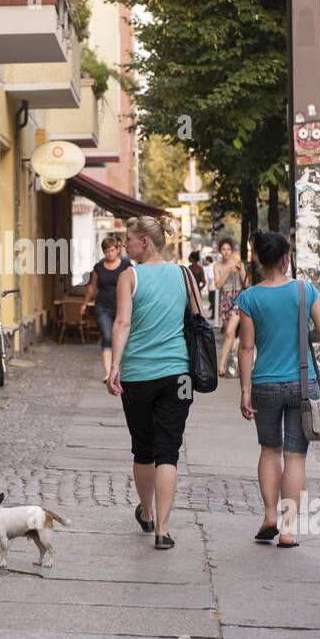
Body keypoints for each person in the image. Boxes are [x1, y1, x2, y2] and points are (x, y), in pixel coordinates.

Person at [236, 231, 320, 548]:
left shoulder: (249, 298)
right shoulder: (305, 291)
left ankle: (269, 517)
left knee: (269, 450)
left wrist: (244, 390)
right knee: (295, 458)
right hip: (303, 384)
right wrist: (305, 338)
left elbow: (246, 348)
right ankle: (288, 530)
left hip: (264, 383)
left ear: (260, 260)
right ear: (286, 258)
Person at [107, 215, 194, 550]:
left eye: (129, 239)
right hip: (180, 375)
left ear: (144, 241)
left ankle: (146, 512)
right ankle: (163, 529)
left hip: (137, 375)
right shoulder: (184, 274)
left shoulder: (129, 277)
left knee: (143, 448)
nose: (125, 244)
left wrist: (114, 366)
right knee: (168, 450)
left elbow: (122, 322)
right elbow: (196, 319)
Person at [80, 236, 131, 382]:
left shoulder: (126, 266)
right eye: (106, 251)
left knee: (123, 338)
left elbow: (134, 285)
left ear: (118, 250)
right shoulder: (98, 268)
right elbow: (92, 287)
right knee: (107, 337)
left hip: (122, 307)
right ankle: (108, 374)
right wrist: (85, 303)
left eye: (112, 250)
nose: (109, 254)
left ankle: (119, 370)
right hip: (103, 307)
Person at [214, 238, 248, 376]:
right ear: (220, 251)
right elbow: (218, 285)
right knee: (230, 335)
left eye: (228, 249)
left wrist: (240, 270)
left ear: (232, 251)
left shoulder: (238, 263)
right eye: (223, 249)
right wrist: (228, 271)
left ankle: (222, 365)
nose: (226, 252)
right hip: (225, 301)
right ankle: (232, 365)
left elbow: (246, 284)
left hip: (237, 300)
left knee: (229, 332)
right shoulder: (216, 266)